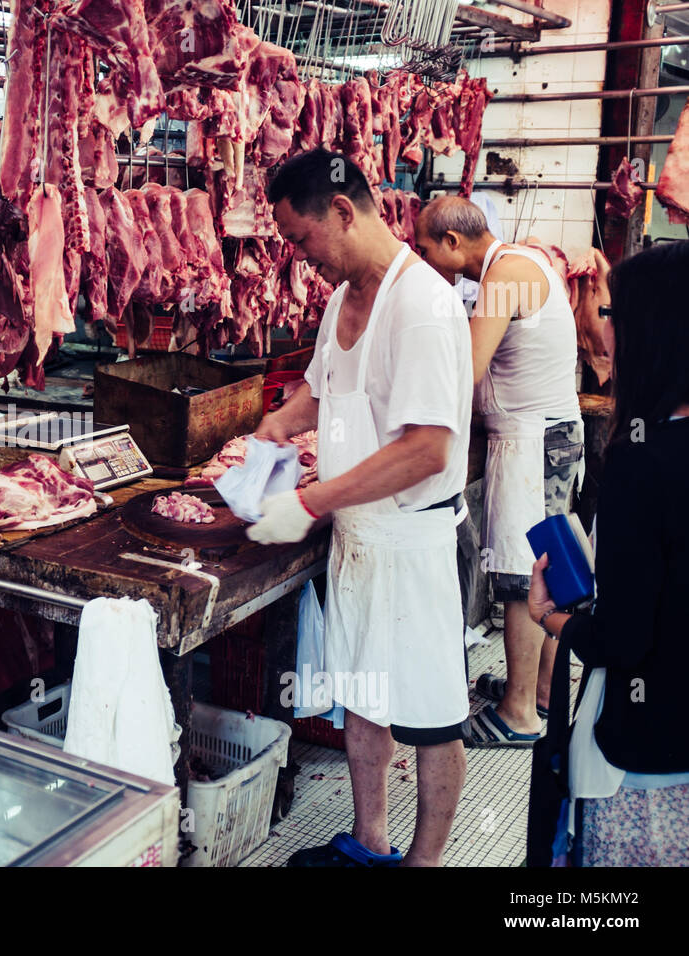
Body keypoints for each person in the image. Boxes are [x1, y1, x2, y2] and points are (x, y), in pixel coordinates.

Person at [250, 150, 472, 867]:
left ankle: (425, 861)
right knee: (363, 695)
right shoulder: (341, 299)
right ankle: (369, 839)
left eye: (300, 240)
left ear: (343, 211)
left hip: (413, 541)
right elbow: (321, 388)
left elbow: (428, 450)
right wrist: (274, 430)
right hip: (358, 536)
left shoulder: (423, 305)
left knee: (433, 717)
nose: (298, 257)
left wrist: (309, 500)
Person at [527, 240, 689, 865]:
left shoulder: (640, 464)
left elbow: (623, 642)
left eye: (613, 315)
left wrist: (551, 617)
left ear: (654, 333)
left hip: (647, 761)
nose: (602, 329)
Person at [414, 196, 584, 746]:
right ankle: (538, 690)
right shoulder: (523, 262)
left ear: (452, 243)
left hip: (531, 443)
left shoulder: (506, 276)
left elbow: (464, 369)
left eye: (423, 248)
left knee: (522, 577)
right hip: (546, 436)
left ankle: (518, 716)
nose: (421, 259)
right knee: (547, 570)